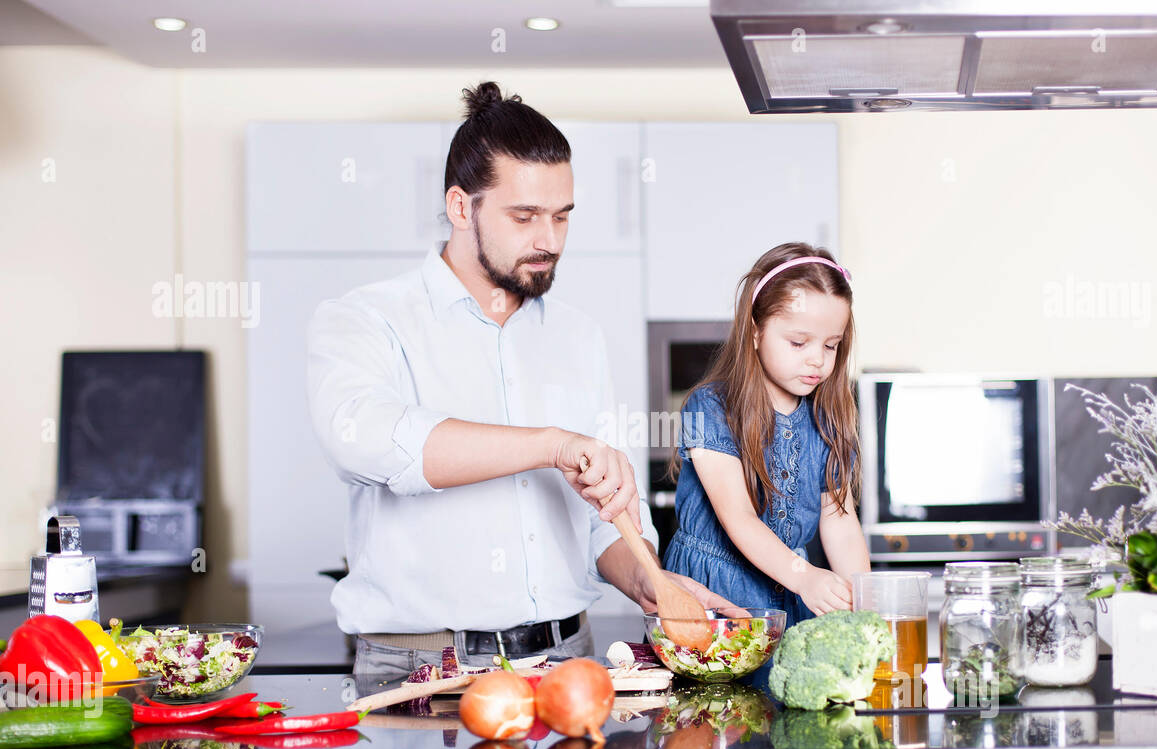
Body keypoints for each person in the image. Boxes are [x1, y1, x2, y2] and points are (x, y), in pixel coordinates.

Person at [307, 81, 730, 679]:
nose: (549, 241)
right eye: (525, 216)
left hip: (567, 663)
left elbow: (597, 522)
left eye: (561, 216)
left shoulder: (579, 337)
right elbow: (368, 444)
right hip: (422, 669)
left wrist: (647, 580)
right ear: (461, 206)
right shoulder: (365, 319)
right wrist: (552, 445)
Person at [664, 242, 872, 632]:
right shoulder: (708, 407)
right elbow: (739, 518)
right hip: (712, 601)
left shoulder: (827, 417)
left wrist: (865, 603)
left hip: (786, 596)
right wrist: (805, 576)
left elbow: (839, 521)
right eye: (798, 342)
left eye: (831, 345)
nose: (817, 359)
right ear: (756, 332)